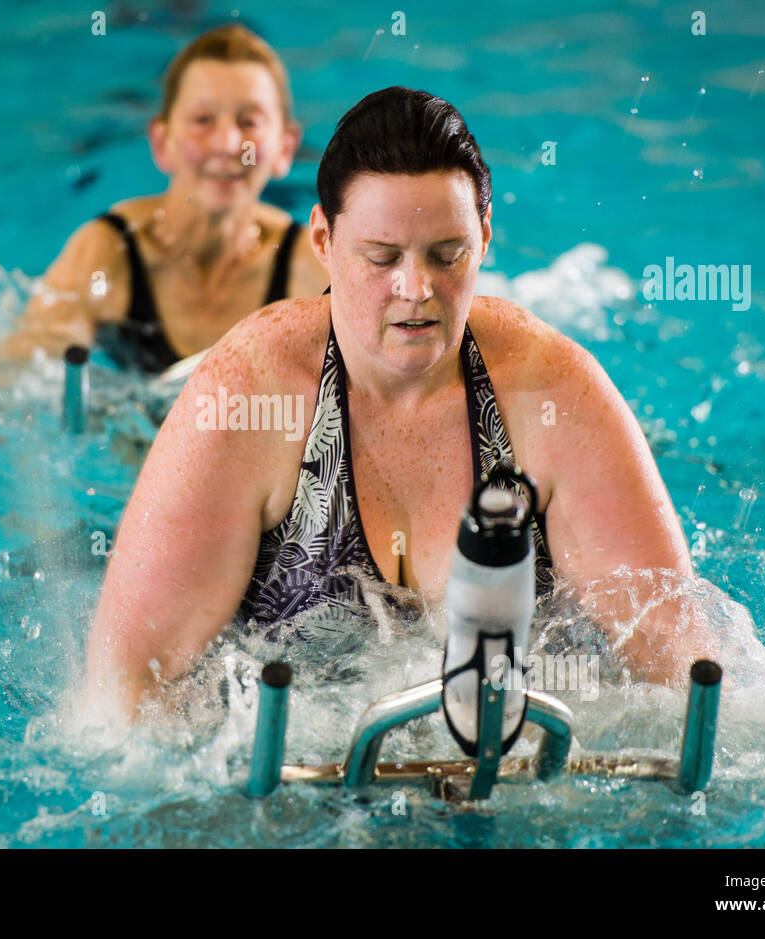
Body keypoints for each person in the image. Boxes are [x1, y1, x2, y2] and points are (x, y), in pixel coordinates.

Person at [86, 87, 720, 721]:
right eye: (381, 257)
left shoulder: (552, 391)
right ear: (322, 242)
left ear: (485, 239)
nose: (417, 289)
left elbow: (684, 674)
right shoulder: (250, 392)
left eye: (448, 255)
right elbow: (126, 694)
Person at [0, 23, 329, 375]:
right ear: (161, 142)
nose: (229, 143)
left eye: (249, 121)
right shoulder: (109, 255)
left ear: (286, 148)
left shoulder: (307, 270)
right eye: (203, 120)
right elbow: (14, 379)